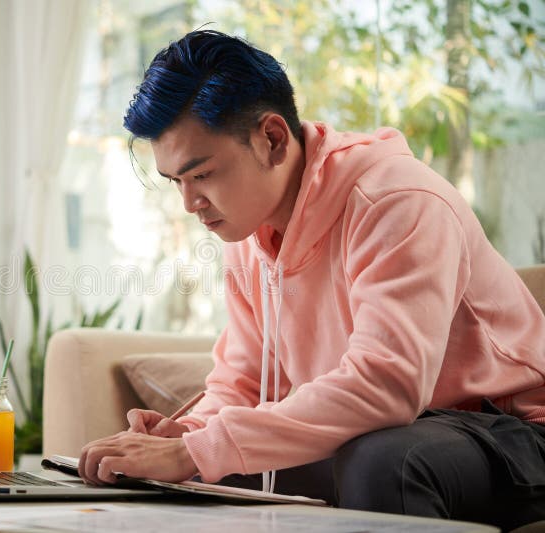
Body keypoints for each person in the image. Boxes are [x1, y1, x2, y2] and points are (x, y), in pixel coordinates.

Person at [77, 30, 545, 529]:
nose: (189, 203)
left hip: (511, 434)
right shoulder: (248, 235)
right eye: (177, 182)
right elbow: (244, 384)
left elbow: (386, 386)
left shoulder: (396, 203)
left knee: (382, 460)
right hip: (390, 431)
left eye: (202, 174)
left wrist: (199, 449)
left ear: (272, 138)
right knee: (196, 475)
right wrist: (183, 436)